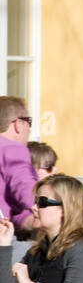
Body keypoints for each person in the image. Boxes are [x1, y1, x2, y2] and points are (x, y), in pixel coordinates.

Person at [0, 96, 38, 234]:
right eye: (29, 122)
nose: (30, 129)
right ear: (18, 124)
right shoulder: (12, 149)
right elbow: (28, 196)